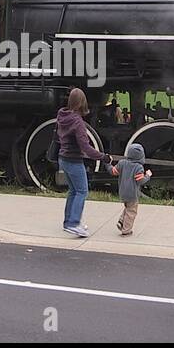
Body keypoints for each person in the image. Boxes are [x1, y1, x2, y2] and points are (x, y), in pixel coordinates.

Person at [56, 88, 112, 238]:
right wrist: (103, 157)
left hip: (63, 158)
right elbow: (86, 148)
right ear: (82, 103)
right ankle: (74, 223)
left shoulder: (62, 115)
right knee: (82, 191)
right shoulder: (78, 122)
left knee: (73, 191)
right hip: (74, 160)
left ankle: (68, 222)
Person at [110, 143, 151, 235]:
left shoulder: (122, 163)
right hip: (132, 193)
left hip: (122, 192)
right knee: (132, 211)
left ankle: (121, 221)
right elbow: (140, 181)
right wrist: (147, 176)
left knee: (128, 207)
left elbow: (113, 171)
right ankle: (126, 230)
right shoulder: (138, 167)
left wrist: (107, 164)